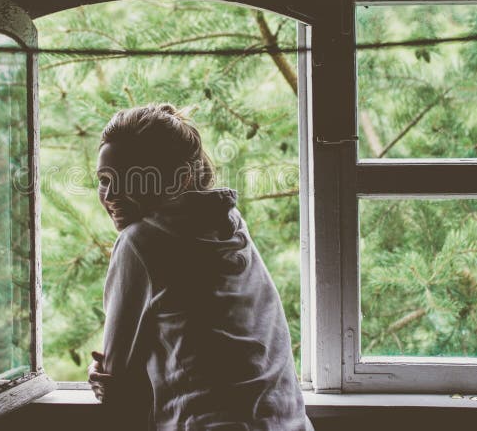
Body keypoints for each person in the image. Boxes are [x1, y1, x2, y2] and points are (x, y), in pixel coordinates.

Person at [88, 103, 313, 431]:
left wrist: (102, 379)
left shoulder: (140, 241)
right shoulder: (229, 222)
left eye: (132, 179)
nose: (111, 195)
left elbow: (116, 384)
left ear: (179, 179)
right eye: (105, 179)